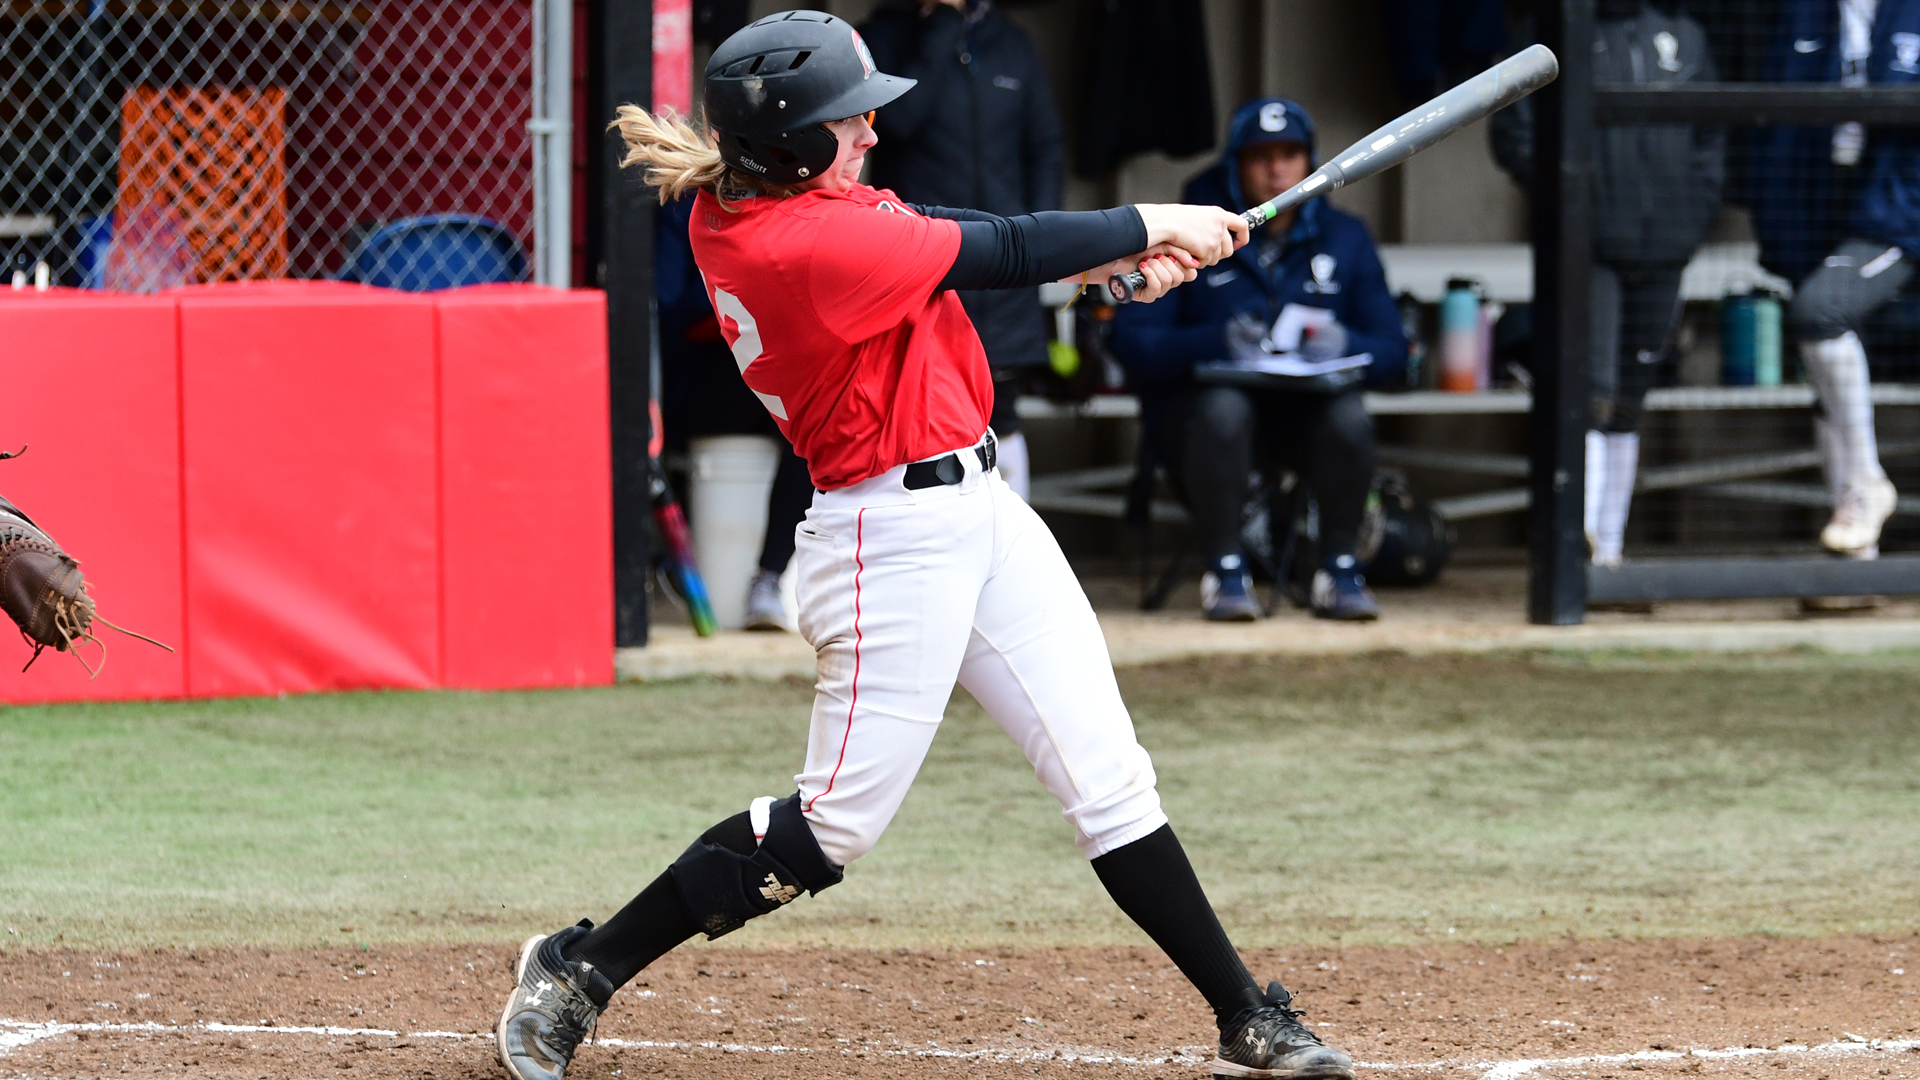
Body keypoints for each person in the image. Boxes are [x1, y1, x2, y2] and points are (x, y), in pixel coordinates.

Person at [494, 13, 1355, 1080]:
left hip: (983, 512)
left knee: (1110, 781)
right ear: (791, 145)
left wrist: (1123, 262)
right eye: (846, 120)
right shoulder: (799, 242)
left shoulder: (781, 197)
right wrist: (1159, 218)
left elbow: (950, 231)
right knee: (829, 832)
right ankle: (579, 969)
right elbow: (1000, 248)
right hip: (887, 538)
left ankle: (1246, 1015)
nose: (868, 132)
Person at [1108, 98, 1408, 623]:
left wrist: (1347, 343)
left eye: (1290, 154)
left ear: (1309, 162)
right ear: (1235, 164)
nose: (1276, 170)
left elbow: (1394, 350)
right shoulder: (1188, 231)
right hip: (1204, 426)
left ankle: (1338, 569)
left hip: (1302, 420)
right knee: (1224, 409)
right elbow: (1132, 345)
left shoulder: (1346, 237)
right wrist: (1215, 340)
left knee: (1349, 416)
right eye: (1260, 156)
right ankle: (1224, 570)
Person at [1491, 1, 1725, 567]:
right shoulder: (1548, 29)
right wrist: (1573, 204)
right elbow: (1513, 130)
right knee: (1587, 394)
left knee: (1628, 401)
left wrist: (1692, 213)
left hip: (1665, 248)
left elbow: (1711, 134)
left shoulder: (1682, 33)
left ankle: (1609, 550)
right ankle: (1576, 547)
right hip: (1586, 250)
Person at [858, 0, 1066, 500]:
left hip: (1006, 259)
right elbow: (897, 120)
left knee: (1003, 408)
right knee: (921, 407)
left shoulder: (1010, 41)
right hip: (925, 257)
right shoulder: (882, 37)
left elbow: (1045, 146)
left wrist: (1038, 237)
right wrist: (942, 26)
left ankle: (1005, 552)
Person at [1749, 0, 1920, 558]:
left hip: (1900, 211)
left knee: (1819, 313)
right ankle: (1855, 556)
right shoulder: (1805, 13)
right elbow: (1774, 122)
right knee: (1829, 379)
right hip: (1820, 204)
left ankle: (1867, 482)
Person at [657, 193, 814, 629]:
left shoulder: (804, 203)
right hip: (705, 378)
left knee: (822, 420)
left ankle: (770, 580)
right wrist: (746, 297)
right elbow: (668, 309)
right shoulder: (689, 204)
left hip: (780, 374)